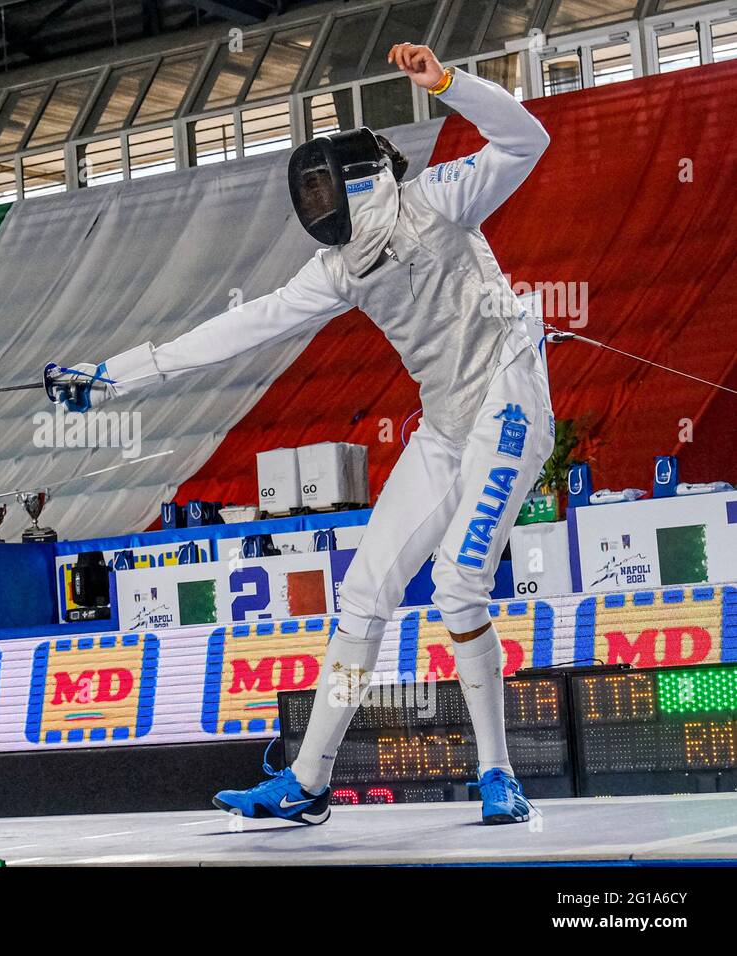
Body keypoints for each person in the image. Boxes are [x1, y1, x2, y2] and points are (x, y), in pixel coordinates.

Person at [47, 43, 554, 826]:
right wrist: (116, 372)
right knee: (361, 596)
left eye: (324, 186)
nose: (316, 205)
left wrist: (450, 84)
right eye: (308, 190)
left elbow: (526, 140)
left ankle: (498, 774)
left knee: (457, 581)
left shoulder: (440, 199)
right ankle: (308, 782)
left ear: (362, 181)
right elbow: (240, 327)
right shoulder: (339, 270)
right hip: (448, 427)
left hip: (511, 402)